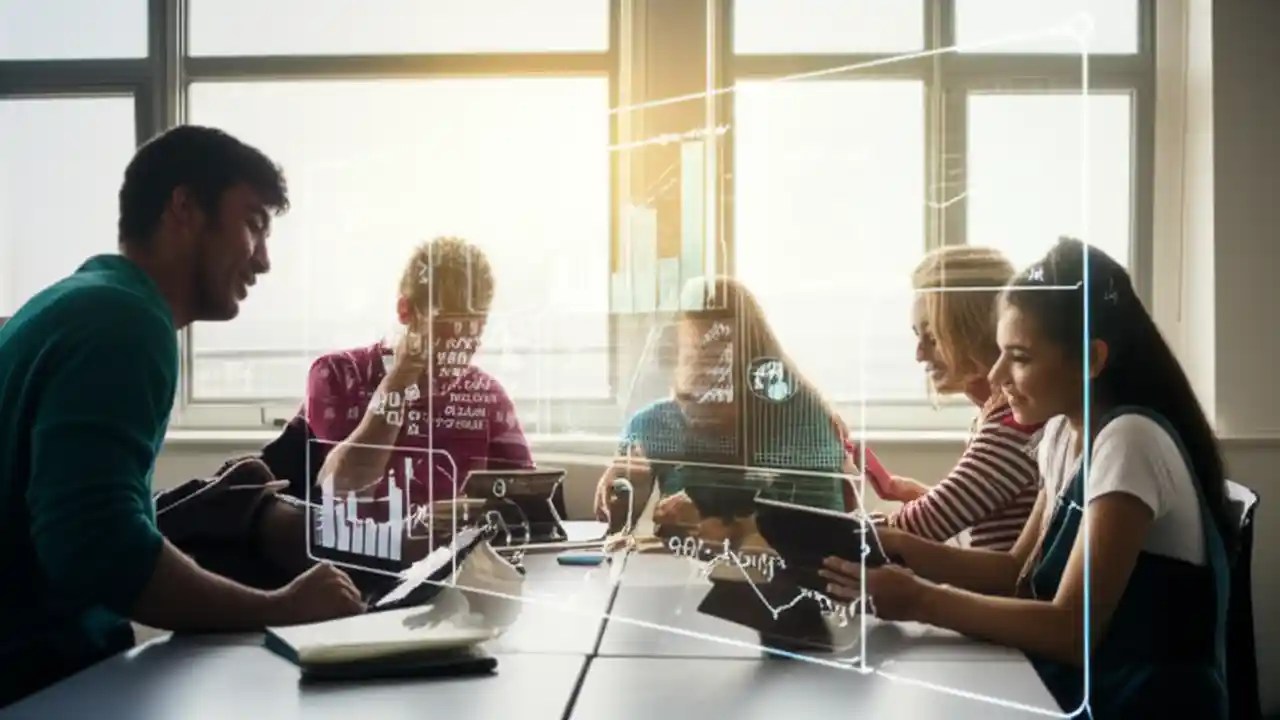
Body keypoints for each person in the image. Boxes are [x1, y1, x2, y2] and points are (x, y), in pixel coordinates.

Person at [0, 125, 364, 707]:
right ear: (184, 207)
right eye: (254, 223)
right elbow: (97, 546)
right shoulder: (125, 322)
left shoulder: (77, 301)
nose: (264, 260)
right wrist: (281, 608)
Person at [821, 239, 1234, 718]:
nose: (997, 375)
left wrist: (920, 599)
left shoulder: (1129, 441)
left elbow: (1072, 630)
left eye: (1018, 357)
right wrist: (899, 546)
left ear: (1092, 360)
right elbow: (1015, 572)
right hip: (1087, 689)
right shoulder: (1059, 434)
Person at [593, 276, 852, 540]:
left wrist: (734, 530)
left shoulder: (802, 421)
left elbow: (828, 531)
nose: (704, 378)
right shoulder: (653, 426)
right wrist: (625, 496)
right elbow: (614, 532)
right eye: (691, 358)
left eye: (719, 361)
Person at [303, 237, 532, 512]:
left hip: (454, 539)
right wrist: (397, 384)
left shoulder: (487, 395)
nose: (462, 345)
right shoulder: (338, 374)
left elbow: (528, 498)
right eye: (448, 326)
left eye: (475, 328)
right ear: (406, 311)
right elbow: (339, 487)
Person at [872, 246, 1042, 551]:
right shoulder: (994, 417)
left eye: (933, 338)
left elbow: (925, 524)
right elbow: (974, 516)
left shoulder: (1014, 425)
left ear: (974, 335)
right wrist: (924, 496)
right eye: (917, 337)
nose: (919, 354)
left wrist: (844, 530)